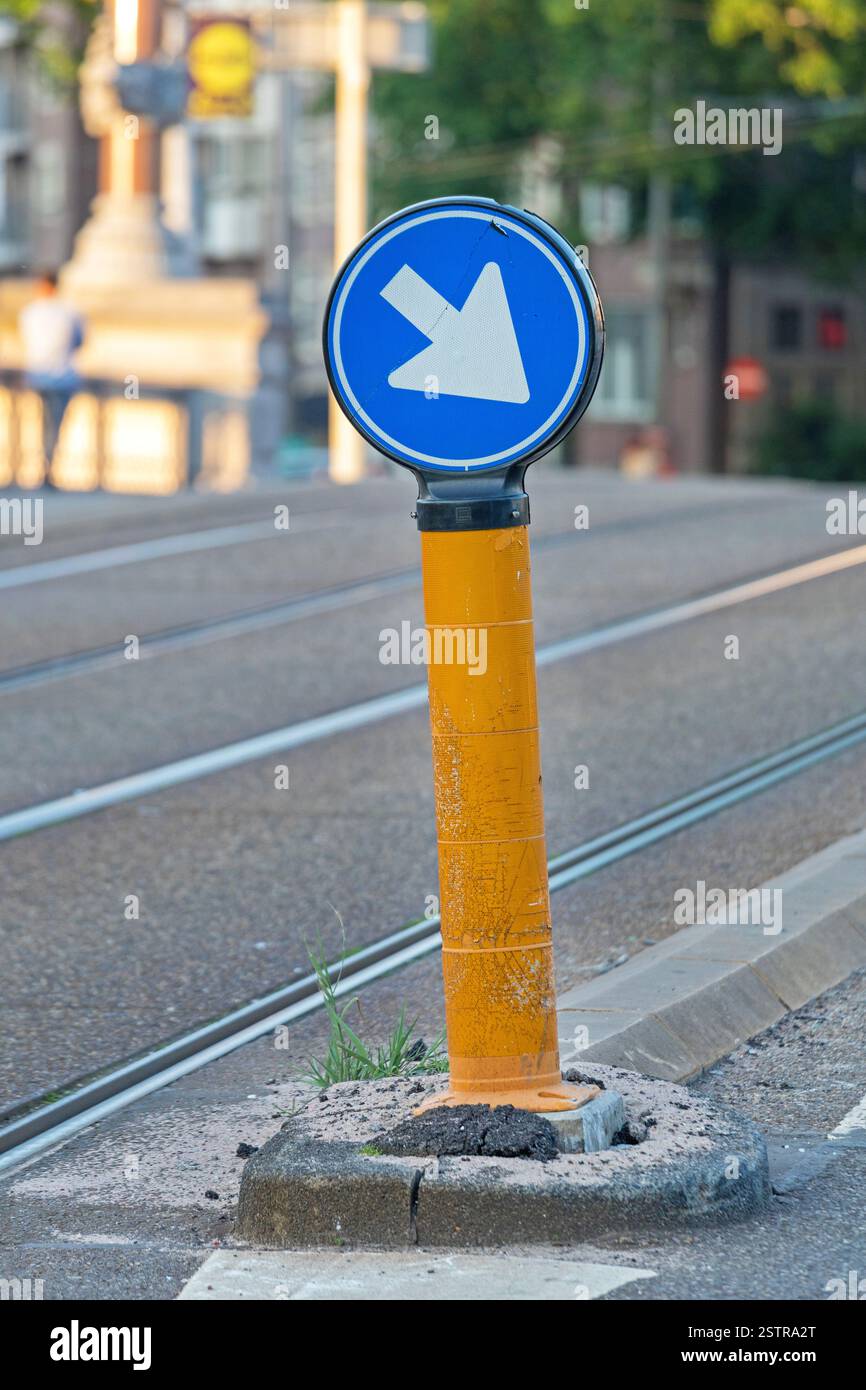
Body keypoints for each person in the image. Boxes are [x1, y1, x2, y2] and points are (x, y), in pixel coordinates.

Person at [19, 271, 85, 488]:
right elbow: (80, 342)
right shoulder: (69, 312)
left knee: (40, 423)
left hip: (37, 375)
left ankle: (39, 468)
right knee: (55, 425)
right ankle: (48, 470)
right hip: (62, 376)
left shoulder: (29, 312)